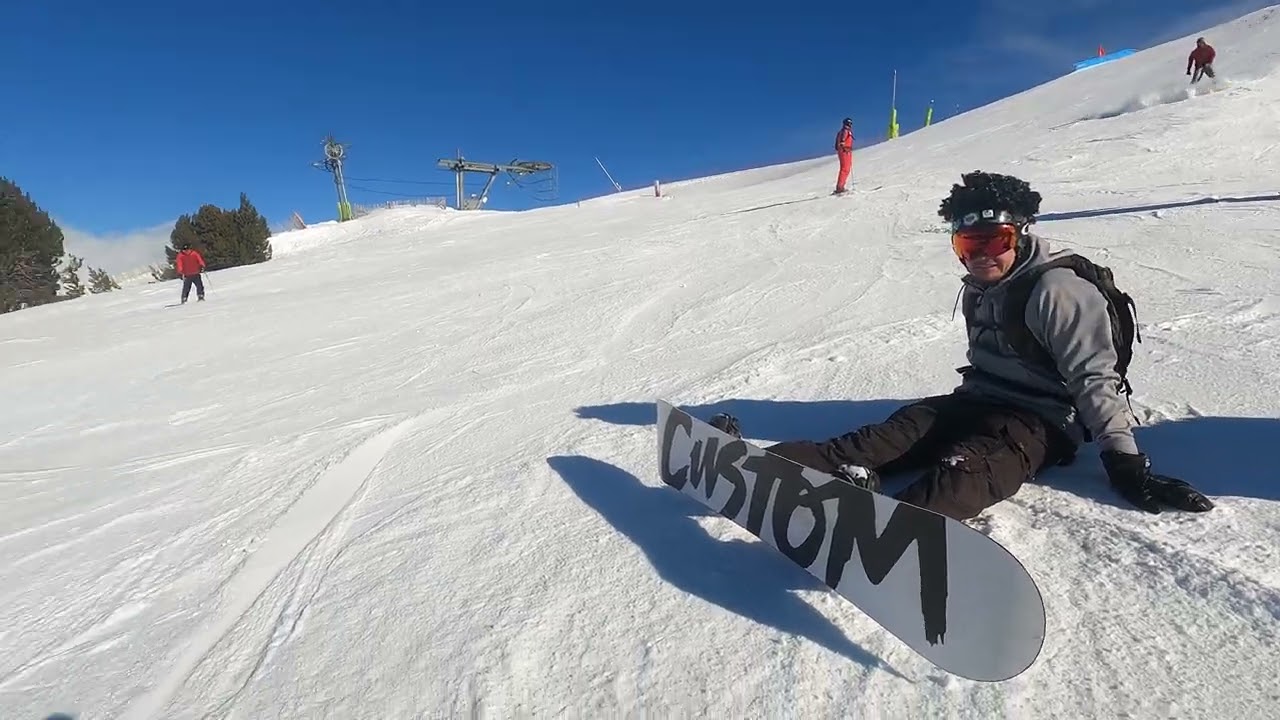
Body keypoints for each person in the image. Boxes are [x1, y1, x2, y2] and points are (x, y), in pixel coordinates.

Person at [711, 171, 1214, 520]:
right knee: (877, 440)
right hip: (976, 400)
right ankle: (754, 468)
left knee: (964, 472)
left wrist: (1124, 463)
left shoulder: (1056, 291)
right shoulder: (979, 288)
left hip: (1041, 422)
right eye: (968, 245)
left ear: (1019, 235)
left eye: (994, 241)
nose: (980, 256)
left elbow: (1094, 380)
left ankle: (885, 526)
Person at [834, 118, 854, 194]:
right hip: (845, 151)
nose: (850, 125)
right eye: (850, 123)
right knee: (845, 169)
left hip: (844, 151)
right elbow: (843, 140)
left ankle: (840, 186)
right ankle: (840, 187)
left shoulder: (842, 131)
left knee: (845, 168)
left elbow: (837, 145)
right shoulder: (845, 131)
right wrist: (843, 144)